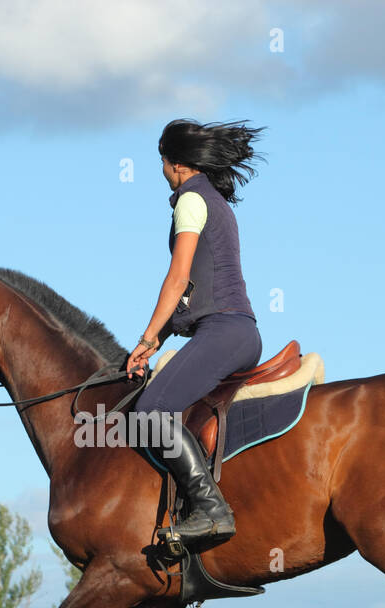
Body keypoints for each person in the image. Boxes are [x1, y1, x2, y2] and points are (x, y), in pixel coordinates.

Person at [126, 118, 266, 552]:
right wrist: (156, 344)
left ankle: (210, 511)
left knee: (151, 410)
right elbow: (191, 290)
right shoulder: (218, 201)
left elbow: (177, 280)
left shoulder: (190, 200)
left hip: (222, 330)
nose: (162, 171)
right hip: (237, 331)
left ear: (175, 164)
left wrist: (145, 340)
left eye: (161, 162)